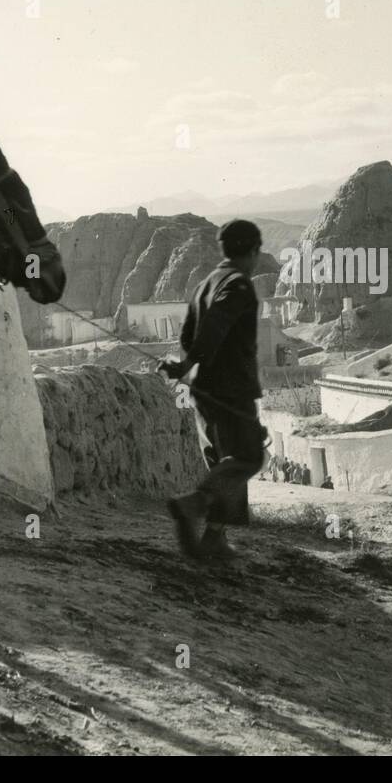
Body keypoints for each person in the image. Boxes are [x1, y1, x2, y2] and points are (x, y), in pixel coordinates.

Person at [160, 219, 267, 560]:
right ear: (254, 251)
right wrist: (190, 363)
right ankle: (195, 503)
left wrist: (186, 366)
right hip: (232, 389)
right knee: (249, 457)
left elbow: (188, 334)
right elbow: (216, 325)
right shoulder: (238, 284)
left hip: (203, 388)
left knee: (225, 463)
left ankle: (214, 538)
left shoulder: (205, 283)